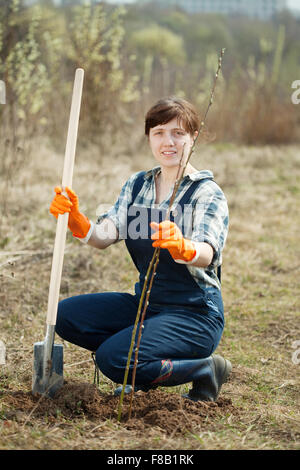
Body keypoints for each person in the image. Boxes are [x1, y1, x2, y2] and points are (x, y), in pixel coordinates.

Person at [50, 96, 231, 402]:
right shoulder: (138, 185)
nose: (168, 142)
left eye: (178, 133)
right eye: (159, 132)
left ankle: (203, 369)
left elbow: (208, 252)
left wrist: (184, 247)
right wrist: (77, 221)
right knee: (63, 315)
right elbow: (104, 235)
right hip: (148, 306)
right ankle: (142, 363)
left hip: (195, 316)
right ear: (149, 137)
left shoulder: (206, 192)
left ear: (193, 137)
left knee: (113, 359)